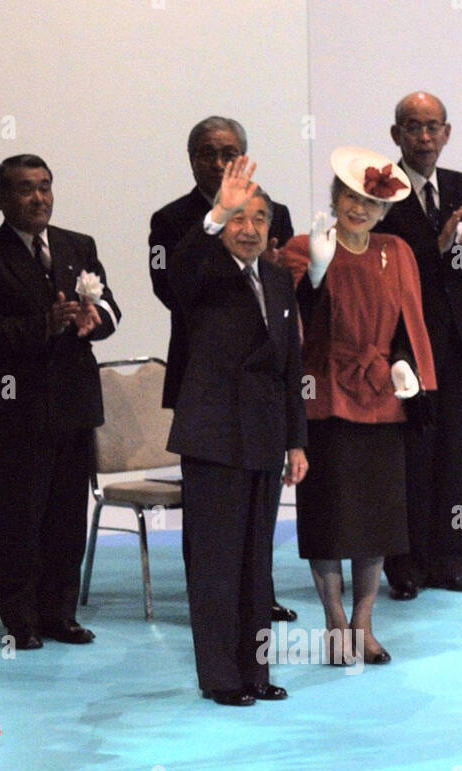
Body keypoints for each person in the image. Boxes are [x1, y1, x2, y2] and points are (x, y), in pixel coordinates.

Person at [0, 154, 120, 648]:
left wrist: (96, 320)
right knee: (21, 519)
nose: (39, 197)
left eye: (45, 186)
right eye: (26, 189)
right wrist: (43, 326)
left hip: (74, 405)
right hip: (18, 410)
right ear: (2, 198)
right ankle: (20, 620)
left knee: (68, 518)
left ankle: (59, 614)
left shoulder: (77, 245)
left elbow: (111, 306)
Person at [282, 147, 436, 665]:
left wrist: (401, 363)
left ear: (384, 209)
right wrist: (317, 276)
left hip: (380, 400)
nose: (359, 208)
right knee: (327, 520)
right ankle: (333, 624)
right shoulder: (304, 248)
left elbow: (409, 325)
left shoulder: (398, 250)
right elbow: (294, 325)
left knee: (376, 522)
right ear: (335, 197)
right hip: (325, 398)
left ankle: (364, 625)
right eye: (350, 197)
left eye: (370, 201)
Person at [167, 156, 308, 706]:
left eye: (259, 219)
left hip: (265, 438)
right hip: (214, 437)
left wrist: (296, 440)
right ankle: (221, 677)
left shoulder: (276, 278)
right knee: (215, 564)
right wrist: (211, 216)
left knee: (256, 566)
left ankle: (255, 671)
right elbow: (177, 274)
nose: (249, 229)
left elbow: (292, 365)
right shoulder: (204, 275)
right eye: (237, 219)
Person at [149, 116, 296, 624]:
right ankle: (209, 600)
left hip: (262, 391)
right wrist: (216, 218)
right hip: (206, 383)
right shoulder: (171, 221)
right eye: (206, 153)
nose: (217, 163)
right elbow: (172, 287)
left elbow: (287, 292)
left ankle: (259, 594)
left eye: (227, 153)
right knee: (213, 515)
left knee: (259, 508)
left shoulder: (269, 211)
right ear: (191, 159)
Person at [379, 92, 462, 599]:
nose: (423, 137)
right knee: (407, 459)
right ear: (396, 134)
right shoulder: (380, 187)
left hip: (453, 341)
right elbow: (384, 264)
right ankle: (404, 568)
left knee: (451, 457)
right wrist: (440, 248)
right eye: (413, 127)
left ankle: (449, 561)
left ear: (446, 132)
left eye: (432, 127)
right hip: (402, 344)